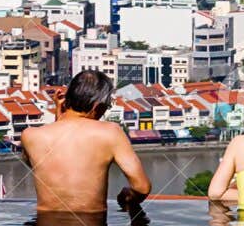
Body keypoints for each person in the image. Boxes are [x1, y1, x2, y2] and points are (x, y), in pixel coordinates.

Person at [21, 69, 150, 213]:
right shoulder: (111, 133)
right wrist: (127, 197)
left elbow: (57, 155)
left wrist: (59, 112)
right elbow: (142, 187)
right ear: (97, 106)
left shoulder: (30, 136)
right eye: (106, 107)